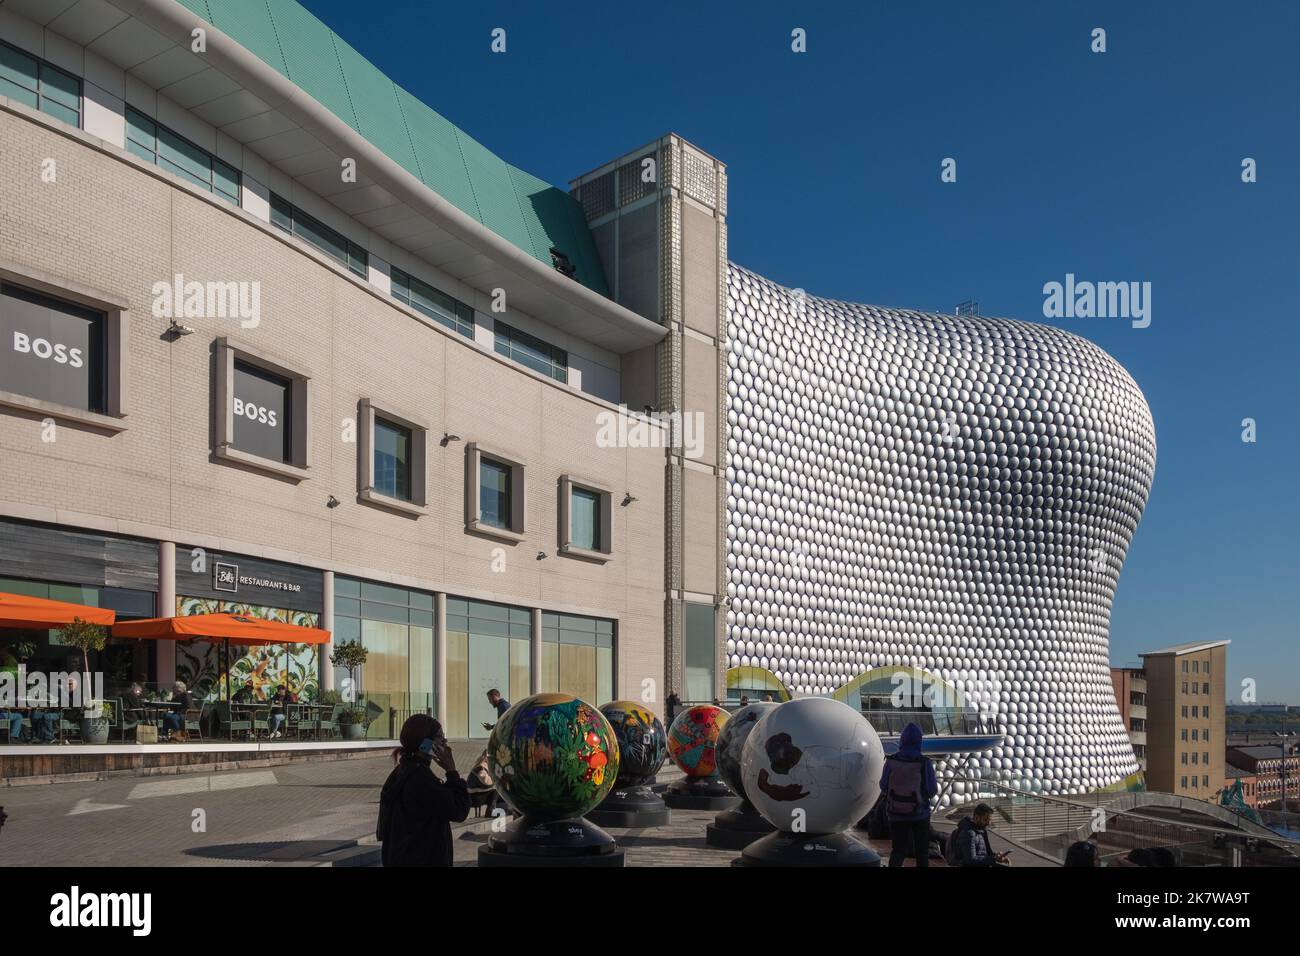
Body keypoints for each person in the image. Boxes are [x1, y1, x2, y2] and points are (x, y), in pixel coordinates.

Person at [377, 713, 470, 866]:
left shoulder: (402, 771)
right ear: (425, 744)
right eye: (440, 737)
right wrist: (452, 771)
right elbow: (459, 810)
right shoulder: (420, 778)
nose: (445, 742)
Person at [879, 721, 938, 867]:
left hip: (896, 814)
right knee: (922, 852)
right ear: (919, 740)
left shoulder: (892, 761)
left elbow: (883, 785)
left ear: (902, 739)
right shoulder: (924, 763)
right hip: (920, 814)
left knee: (898, 850)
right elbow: (932, 790)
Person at [948, 802, 1010, 867]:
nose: (988, 823)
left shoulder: (981, 831)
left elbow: (985, 853)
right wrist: (993, 859)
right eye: (985, 820)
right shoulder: (969, 834)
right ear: (976, 818)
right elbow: (970, 860)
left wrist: (997, 856)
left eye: (990, 820)